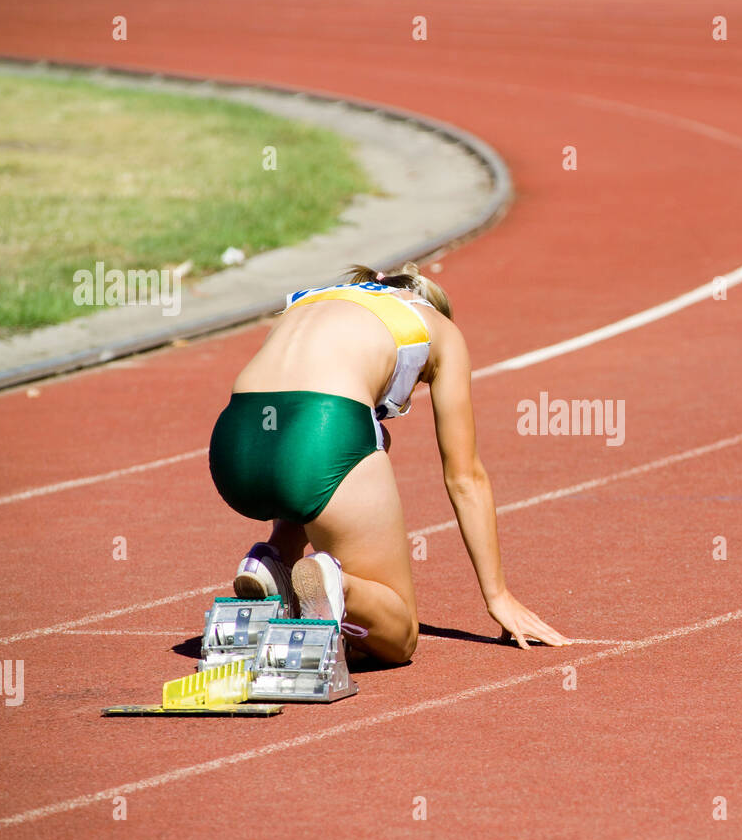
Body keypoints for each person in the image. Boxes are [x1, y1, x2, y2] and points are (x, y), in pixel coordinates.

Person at [207, 262, 569, 663]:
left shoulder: (313, 301)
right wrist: (498, 596)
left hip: (236, 439)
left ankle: (271, 562)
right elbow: (465, 477)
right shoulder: (438, 329)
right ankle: (336, 584)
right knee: (399, 637)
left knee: (333, 453)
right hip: (325, 429)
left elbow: (291, 413)